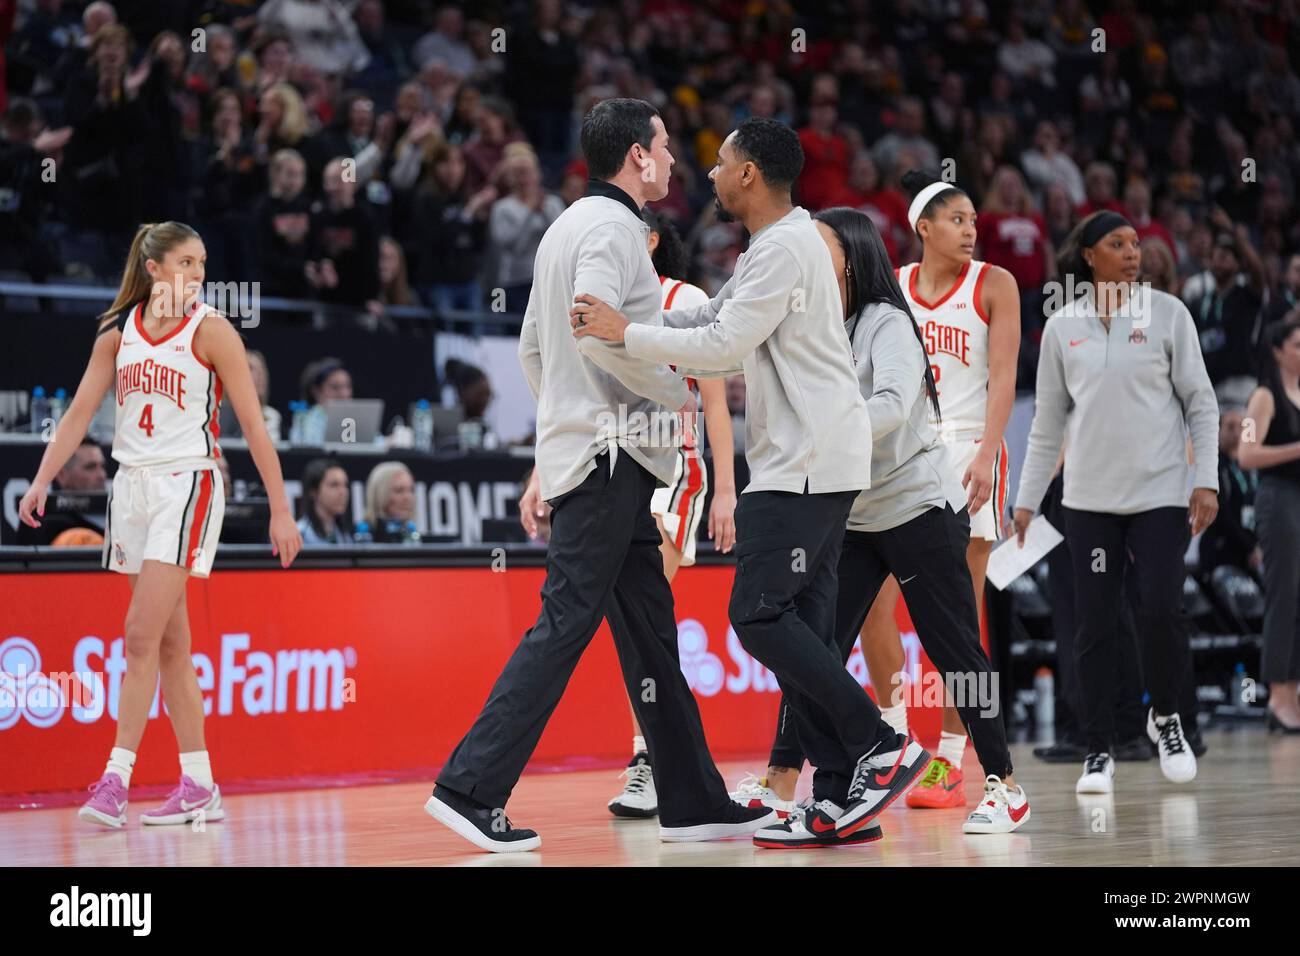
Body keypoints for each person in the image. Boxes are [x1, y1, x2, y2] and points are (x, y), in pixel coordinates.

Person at [425, 98, 773, 853]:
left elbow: (531, 348)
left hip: (599, 452)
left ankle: (693, 800)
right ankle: (469, 787)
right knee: (564, 622)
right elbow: (594, 329)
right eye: (667, 147)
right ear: (637, 157)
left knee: (651, 639)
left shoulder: (564, 226)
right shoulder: (614, 229)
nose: (676, 161)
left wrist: (565, 421)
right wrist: (666, 392)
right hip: (611, 456)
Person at [574, 117, 929, 849]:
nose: (707, 173)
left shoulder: (785, 247)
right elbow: (712, 316)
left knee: (758, 614)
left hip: (801, 464)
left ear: (749, 175)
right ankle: (836, 797)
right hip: (821, 463)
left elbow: (723, 348)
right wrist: (642, 316)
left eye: (720, 161)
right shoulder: (780, 245)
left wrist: (624, 334)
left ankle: (877, 742)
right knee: (808, 631)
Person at [738, 207, 1031, 835]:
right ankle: (807, 790)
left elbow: (893, 407)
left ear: (850, 255)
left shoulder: (887, 321)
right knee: (815, 651)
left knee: (955, 649)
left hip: (919, 507)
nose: (807, 255)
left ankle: (1004, 785)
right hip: (854, 514)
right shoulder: (813, 318)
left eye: (820, 245)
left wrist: (820, 440)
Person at [18, 220, 301, 828]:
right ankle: (199, 783)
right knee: (170, 644)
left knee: (138, 634)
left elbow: (254, 427)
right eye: (187, 263)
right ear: (153, 267)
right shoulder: (117, 334)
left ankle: (114, 779)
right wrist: (42, 478)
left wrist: (281, 507)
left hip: (188, 484)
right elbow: (76, 416)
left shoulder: (214, 330)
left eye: (202, 264)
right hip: (131, 488)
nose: (197, 275)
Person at [1012, 210, 1220, 793]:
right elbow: (1047, 424)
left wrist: (1207, 479)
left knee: (1159, 609)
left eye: (1136, 243)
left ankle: (1169, 720)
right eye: (1118, 243)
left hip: (1159, 494)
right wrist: (1025, 503)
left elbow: (1201, 404)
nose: (1133, 252)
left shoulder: (1169, 316)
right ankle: (1097, 747)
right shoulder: (1063, 327)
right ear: (1089, 256)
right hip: (1088, 502)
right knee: (1095, 623)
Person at [844, 168, 1020, 811]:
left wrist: (986, 454)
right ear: (924, 228)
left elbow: (1004, 378)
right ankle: (893, 738)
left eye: (974, 220)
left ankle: (952, 755)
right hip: (908, 453)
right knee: (871, 605)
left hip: (974, 449)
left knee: (957, 619)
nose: (971, 229)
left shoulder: (993, 284)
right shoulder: (893, 290)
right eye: (958, 219)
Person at [601, 207, 738, 818]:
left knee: (643, 616)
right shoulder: (603, 299)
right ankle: (663, 758)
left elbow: (715, 403)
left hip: (676, 466)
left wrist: (729, 491)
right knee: (638, 622)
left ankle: (647, 760)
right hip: (616, 457)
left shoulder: (688, 297)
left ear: (651, 240)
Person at [1238, 319, 1300, 732]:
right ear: (1278, 349)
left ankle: (1293, 691)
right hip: (1277, 498)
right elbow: (1246, 454)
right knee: (1284, 593)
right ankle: (1278, 694)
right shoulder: (1263, 395)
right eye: (1297, 344)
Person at [15, 436, 108, 545]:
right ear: (62, 475)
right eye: (90, 467)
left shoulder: (121, 512)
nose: (102, 475)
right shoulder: (42, 521)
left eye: (102, 466)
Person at [298, 457, 352, 545]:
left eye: (345, 485)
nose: (343, 492)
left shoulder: (344, 535)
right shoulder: (300, 535)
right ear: (313, 491)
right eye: (334, 485)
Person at [362, 460, 415, 543]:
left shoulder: (411, 532)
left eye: (411, 490)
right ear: (380, 494)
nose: (407, 497)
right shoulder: (363, 536)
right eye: (399, 490)